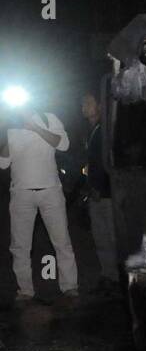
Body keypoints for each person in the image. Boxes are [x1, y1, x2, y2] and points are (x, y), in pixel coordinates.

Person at [0, 97, 78, 304]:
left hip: (50, 190)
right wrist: (7, 134)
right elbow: (3, 163)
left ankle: (69, 286)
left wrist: (34, 126)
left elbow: (63, 144)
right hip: (21, 193)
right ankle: (25, 290)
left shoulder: (49, 118)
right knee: (19, 246)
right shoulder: (10, 127)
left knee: (61, 241)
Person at [80, 91, 119, 293]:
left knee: (112, 237)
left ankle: (119, 277)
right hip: (97, 193)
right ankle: (109, 276)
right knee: (101, 238)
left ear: (100, 106)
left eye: (88, 102)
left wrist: (99, 187)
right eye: (83, 103)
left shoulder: (106, 130)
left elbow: (109, 162)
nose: (83, 107)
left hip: (107, 194)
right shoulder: (92, 131)